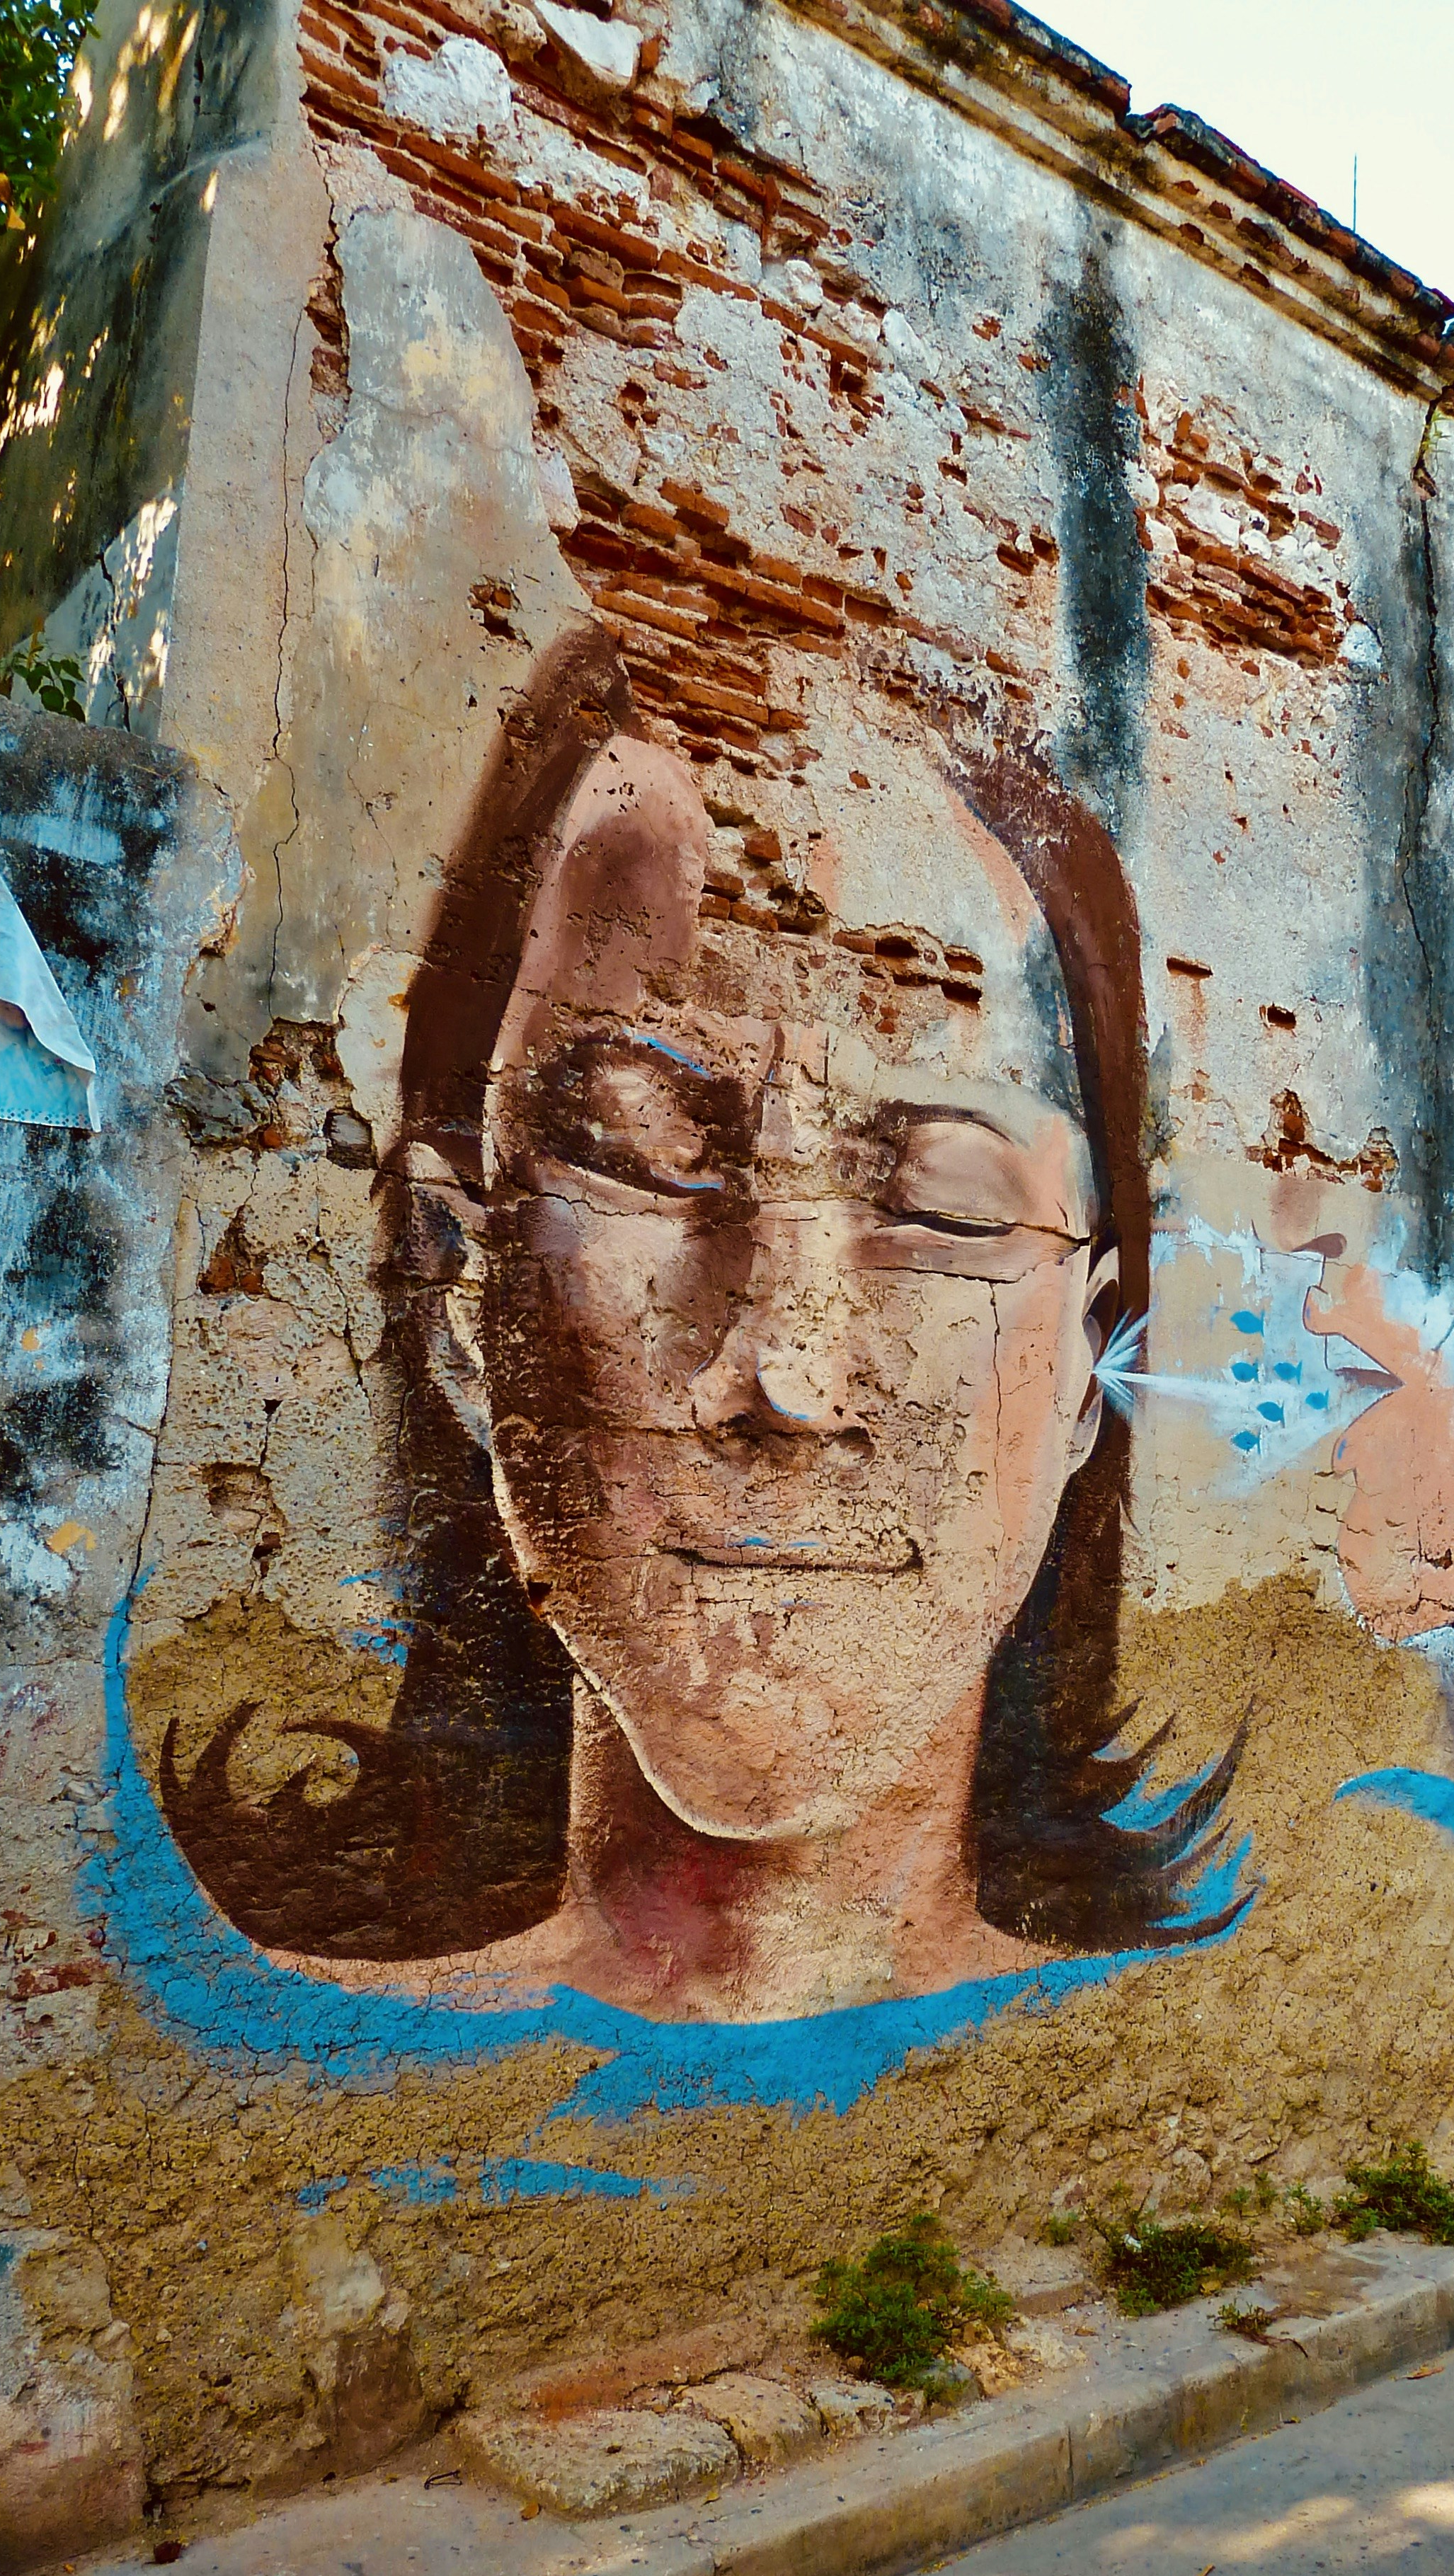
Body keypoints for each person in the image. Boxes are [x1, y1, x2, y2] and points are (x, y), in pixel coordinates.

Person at [159, 630, 1247, 2018]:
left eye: (944, 1203)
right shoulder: (257, 2042)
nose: (782, 1378)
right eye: (642, 1157)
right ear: (456, 1292)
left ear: (1087, 1366)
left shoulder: (1159, 2054)